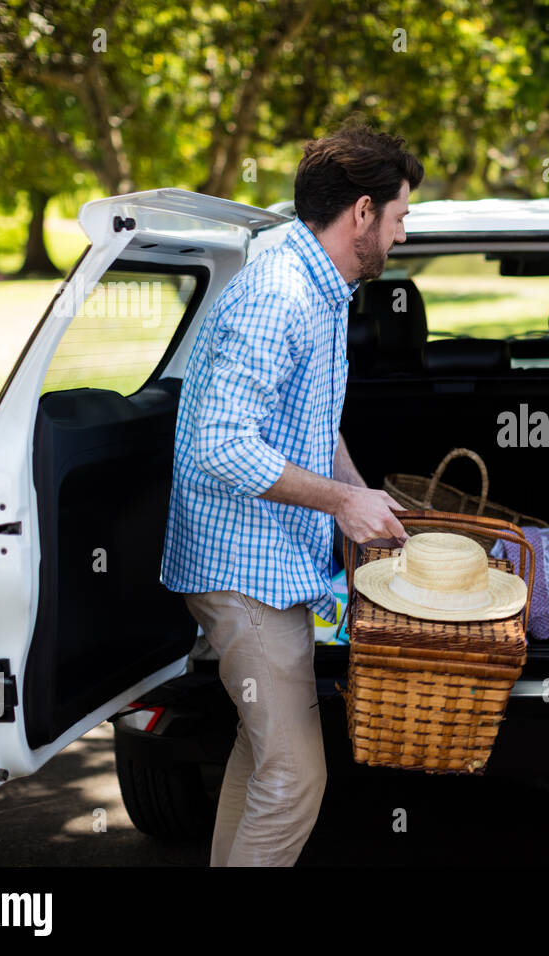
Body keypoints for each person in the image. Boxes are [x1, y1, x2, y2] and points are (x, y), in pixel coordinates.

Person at [160, 120, 422, 866]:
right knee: (296, 778)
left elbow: (311, 420)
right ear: (363, 213)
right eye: (400, 217)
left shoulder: (323, 288)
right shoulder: (280, 295)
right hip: (243, 575)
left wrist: (358, 489)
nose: (402, 235)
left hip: (274, 566)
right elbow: (220, 443)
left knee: (264, 757)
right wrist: (342, 506)